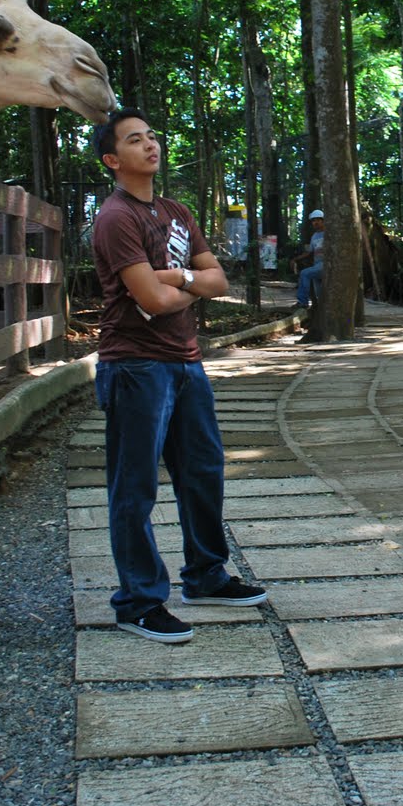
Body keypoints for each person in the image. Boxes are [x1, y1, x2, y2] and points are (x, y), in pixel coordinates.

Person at [91, 109, 268, 644]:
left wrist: (181, 277)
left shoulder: (175, 211)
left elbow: (218, 280)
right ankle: (140, 601)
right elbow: (151, 299)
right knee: (135, 486)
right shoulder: (116, 218)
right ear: (112, 160)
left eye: (151, 136)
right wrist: (189, 283)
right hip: (135, 366)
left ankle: (206, 576)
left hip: (187, 362)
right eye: (133, 139)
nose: (149, 145)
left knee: (203, 472)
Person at [295, 209, 325, 308]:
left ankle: (303, 302)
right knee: (319, 294)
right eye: (313, 221)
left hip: (325, 264)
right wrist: (296, 259)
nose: (315, 223)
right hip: (317, 265)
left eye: (317, 220)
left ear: (323, 220)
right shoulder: (314, 236)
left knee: (305, 273)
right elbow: (309, 252)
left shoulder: (329, 233)